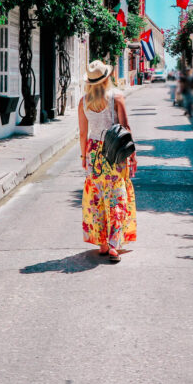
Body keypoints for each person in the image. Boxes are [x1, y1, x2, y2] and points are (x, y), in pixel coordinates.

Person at [78, 60, 137, 263]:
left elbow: (83, 133)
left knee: (97, 198)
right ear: (107, 78)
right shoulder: (117, 97)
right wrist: (133, 156)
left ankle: (102, 244)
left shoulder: (84, 101)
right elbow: (125, 128)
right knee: (116, 196)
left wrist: (84, 158)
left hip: (94, 152)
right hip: (115, 152)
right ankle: (113, 245)